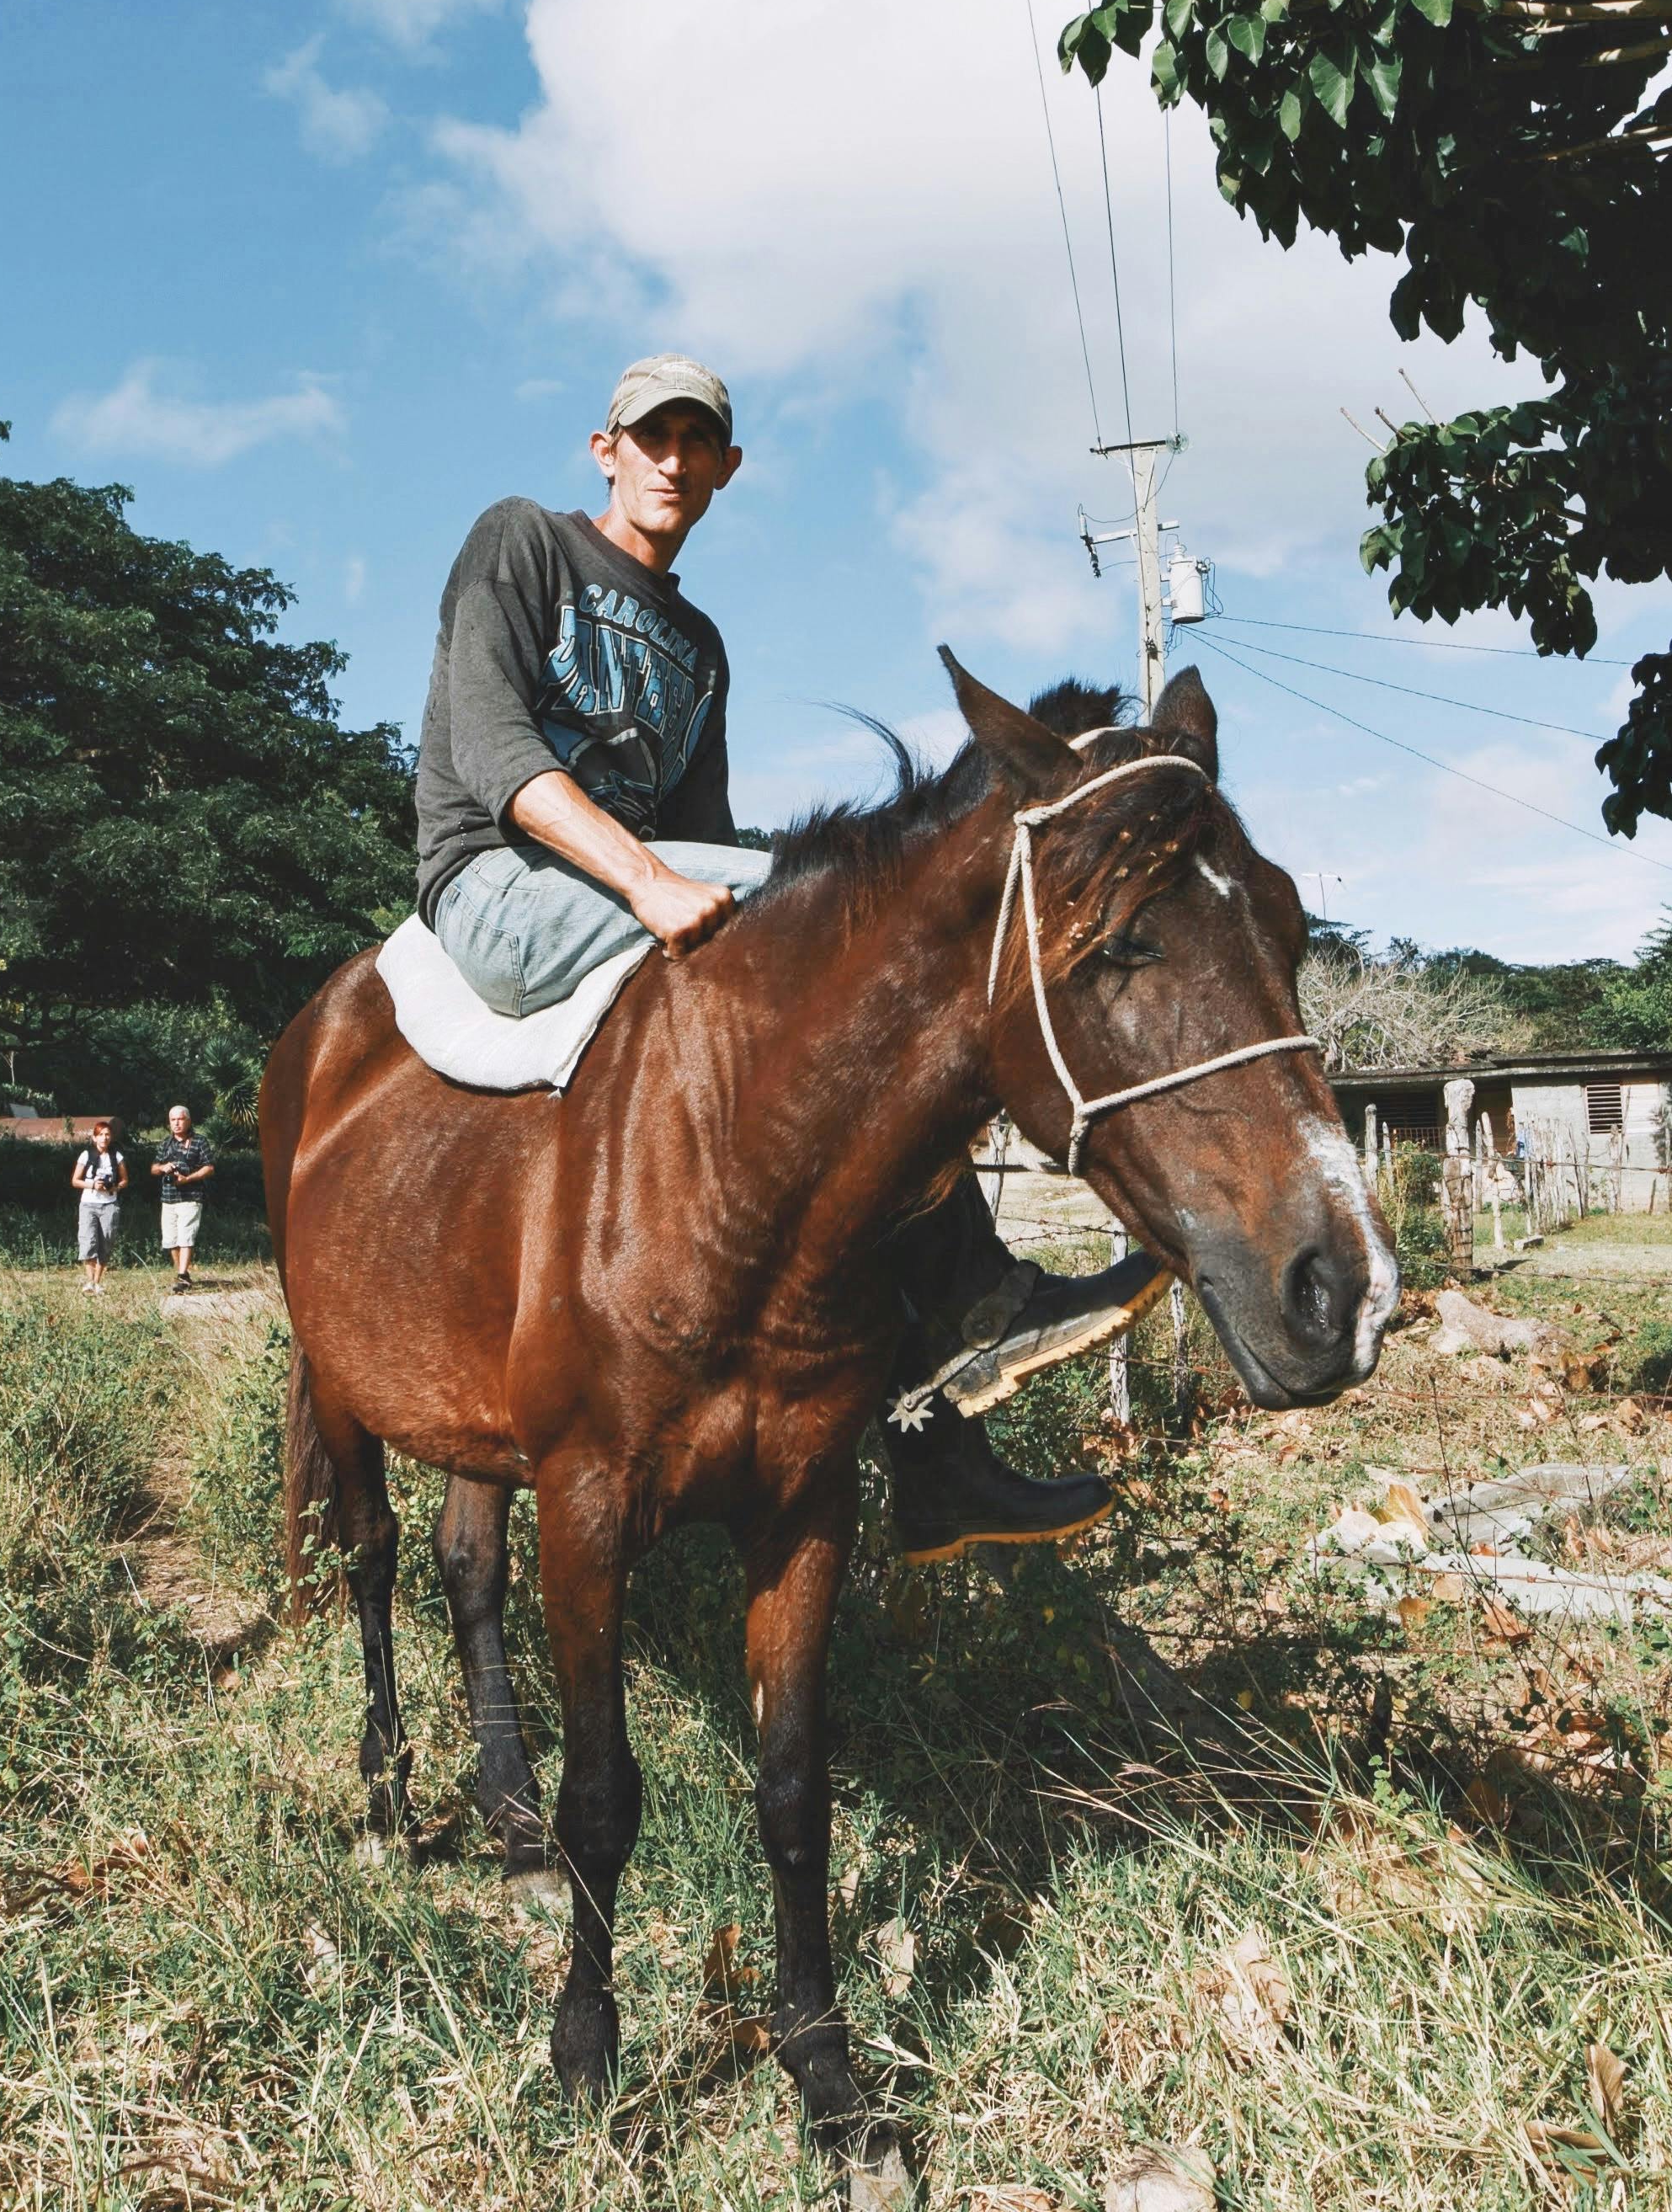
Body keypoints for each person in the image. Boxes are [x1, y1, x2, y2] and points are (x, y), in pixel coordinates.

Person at [414, 353, 1163, 1564]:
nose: (671, 459)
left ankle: (937, 1422)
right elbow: (494, 752)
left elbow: (706, 831)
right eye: (649, 437)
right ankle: (972, 1305)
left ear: (726, 468)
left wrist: (754, 912)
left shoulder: (698, 645)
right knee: (837, 970)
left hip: (637, 885)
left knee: (857, 988)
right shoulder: (522, 545)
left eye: (695, 442)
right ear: (604, 450)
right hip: (500, 881)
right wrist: (654, 883)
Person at [151, 1103, 215, 1294]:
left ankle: (182, 1275)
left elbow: (209, 1168)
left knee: (186, 1236)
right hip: (169, 1198)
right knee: (171, 1240)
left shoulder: (199, 1142)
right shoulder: (165, 1144)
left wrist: (188, 1178)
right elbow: (153, 1168)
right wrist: (163, 1168)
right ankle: (182, 1273)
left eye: (180, 1119)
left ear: (188, 1120)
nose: (177, 1123)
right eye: (173, 1120)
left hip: (191, 1196)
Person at [72, 1119, 127, 1292]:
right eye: (101, 1135)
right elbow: (75, 1181)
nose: (104, 1138)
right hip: (89, 1204)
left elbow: (125, 1180)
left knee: (106, 1241)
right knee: (88, 1241)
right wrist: (93, 1185)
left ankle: (97, 1281)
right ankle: (90, 1282)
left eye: (107, 1134)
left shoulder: (116, 1156)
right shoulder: (86, 1155)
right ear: (94, 1138)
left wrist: (114, 1187)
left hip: (109, 1204)